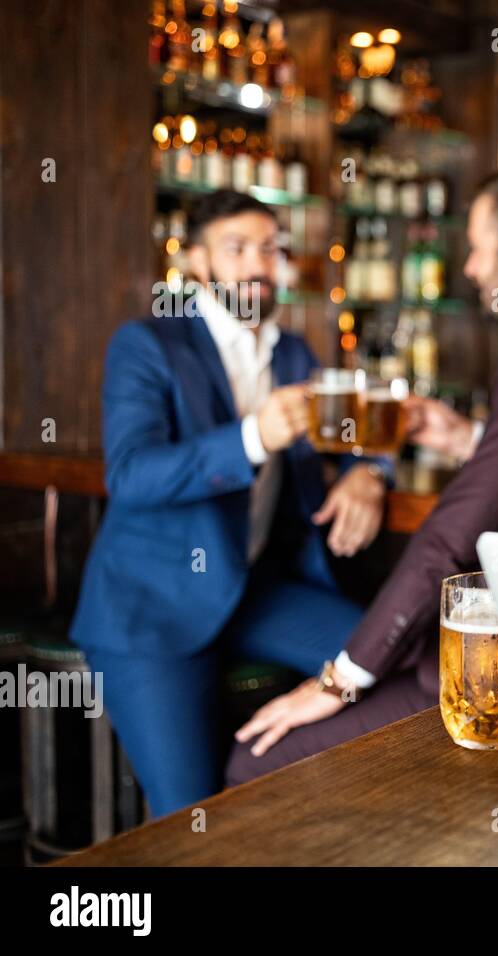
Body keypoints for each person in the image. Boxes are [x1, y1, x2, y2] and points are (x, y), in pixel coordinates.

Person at [226, 162, 498, 781]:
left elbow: (450, 536)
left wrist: (338, 681)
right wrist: (472, 440)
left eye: (476, 249)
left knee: (257, 764)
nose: (467, 268)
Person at [70, 190, 387, 815]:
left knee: (388, 663)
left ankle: (299, 810)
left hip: (258, 591)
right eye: (236, 249)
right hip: (154, 605)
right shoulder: (146, 345)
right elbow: (131, 475)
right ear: (198, 263)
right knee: (191, 816)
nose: (257, 265)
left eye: (270, 250)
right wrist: (251, 438)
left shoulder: (295, 353)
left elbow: (359, 429)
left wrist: (368, 474)